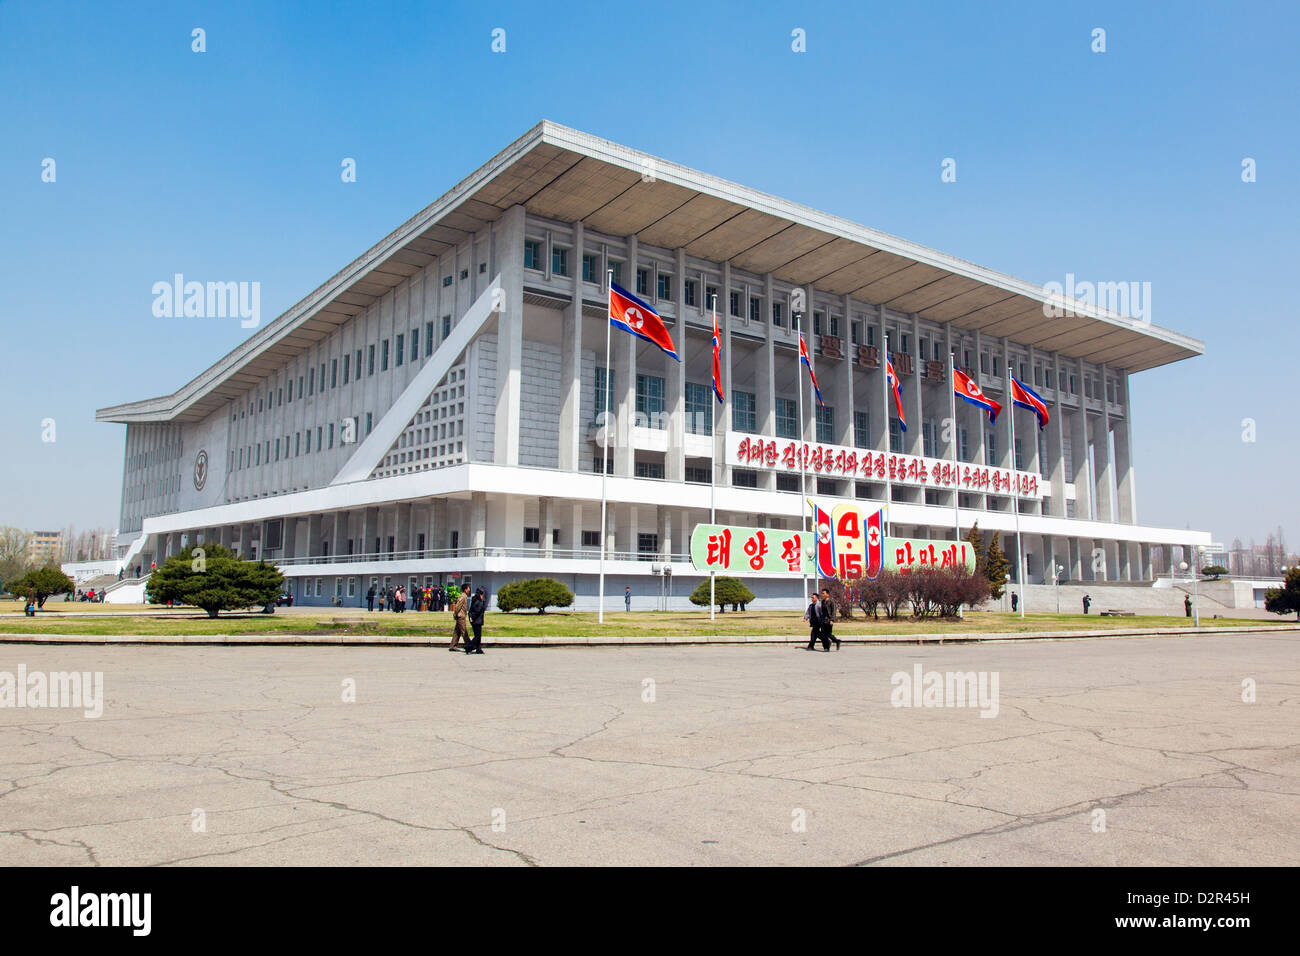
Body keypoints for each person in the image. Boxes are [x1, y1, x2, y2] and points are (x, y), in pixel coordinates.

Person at [466, 587, 487, 654]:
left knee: (477, 635)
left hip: (473, 620)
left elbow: (470, 610)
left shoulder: (474, 600)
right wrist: (473, 618)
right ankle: (469, 647)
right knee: (477, 636)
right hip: (477, 620)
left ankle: (478, 648)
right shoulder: (480, 601)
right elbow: (478, 611)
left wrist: (470, 617)